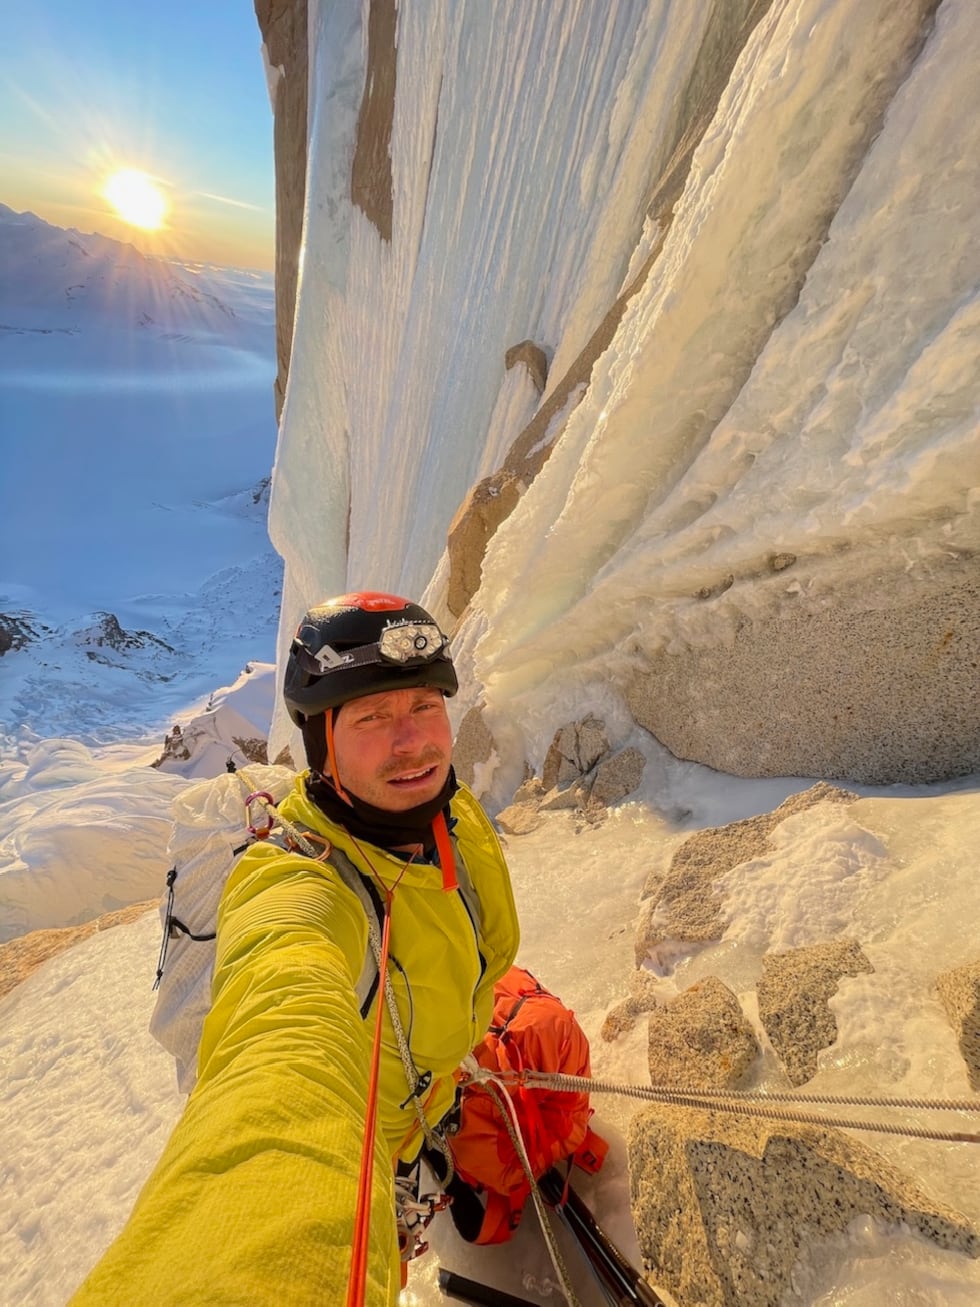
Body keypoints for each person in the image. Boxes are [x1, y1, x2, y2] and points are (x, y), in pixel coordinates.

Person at [72, 592, 520, 1306]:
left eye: (424, 706)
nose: (414, 742)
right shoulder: (298, 881)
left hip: (435, 1095)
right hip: (370, 1153)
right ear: (320, 742)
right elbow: (281, 1031)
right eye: (373, 717)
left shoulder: (450, 813)